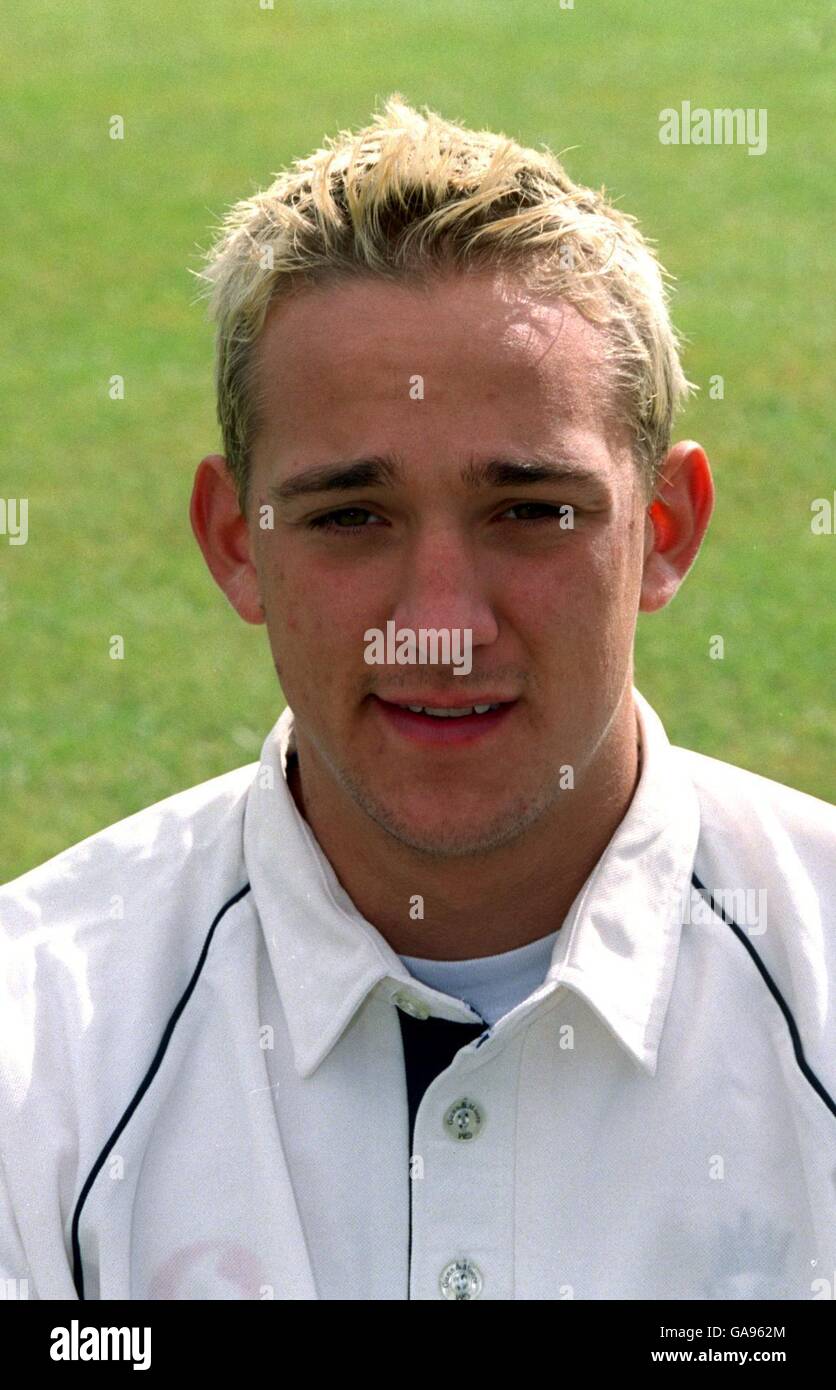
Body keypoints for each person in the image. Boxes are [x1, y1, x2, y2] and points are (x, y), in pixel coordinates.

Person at [1, 96, 833, 1302]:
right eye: (350, 517)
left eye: (530, 511)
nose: (438, 623)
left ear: (664, 530)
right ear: (237, 542)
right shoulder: (38, 1041)